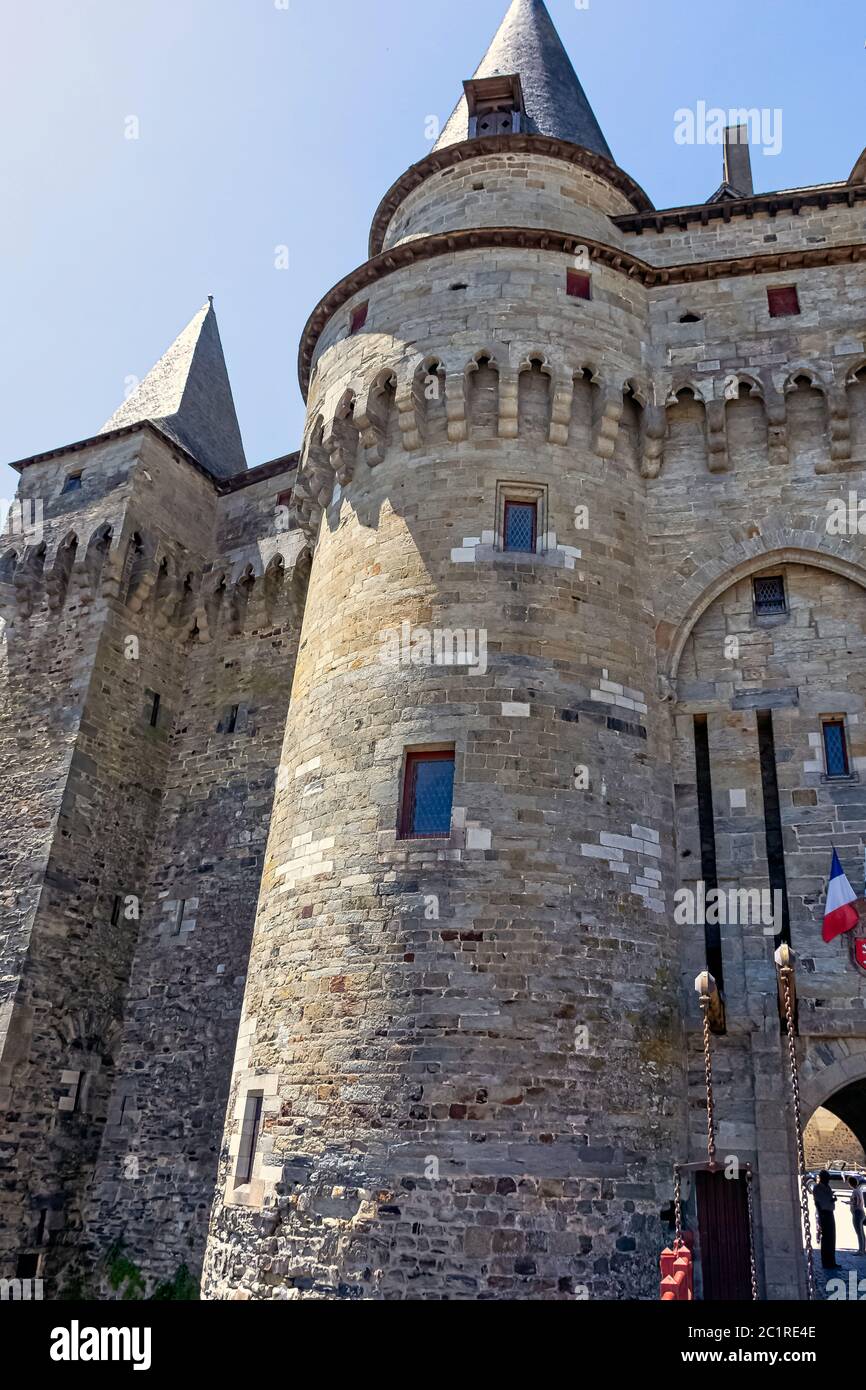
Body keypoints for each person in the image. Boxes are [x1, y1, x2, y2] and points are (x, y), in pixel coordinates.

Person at [814, 1171, 842, 1270]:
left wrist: (833, 1200)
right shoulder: (817, 1188)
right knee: (825, 1239)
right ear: (822, 1178)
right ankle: (826, 1262)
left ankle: (832, 1261)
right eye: (827, 1177)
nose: (828, 1179)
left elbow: (827, 1199)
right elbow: (817, 1202)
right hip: (824, 1214)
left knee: (832, 1238)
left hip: (830, 1212)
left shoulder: (828, 1187)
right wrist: (820, 1215)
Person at [849, 1176, 866, 1257]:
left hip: (857, 1213)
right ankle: (863, 1249)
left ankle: (860, 1251)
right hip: (861, 1212)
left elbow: (856, 1202)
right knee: (862, 1232)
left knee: (859, 1233)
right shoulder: (859, 1190)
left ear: (850, 1184)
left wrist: (849, 1203)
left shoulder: (855, 1191)